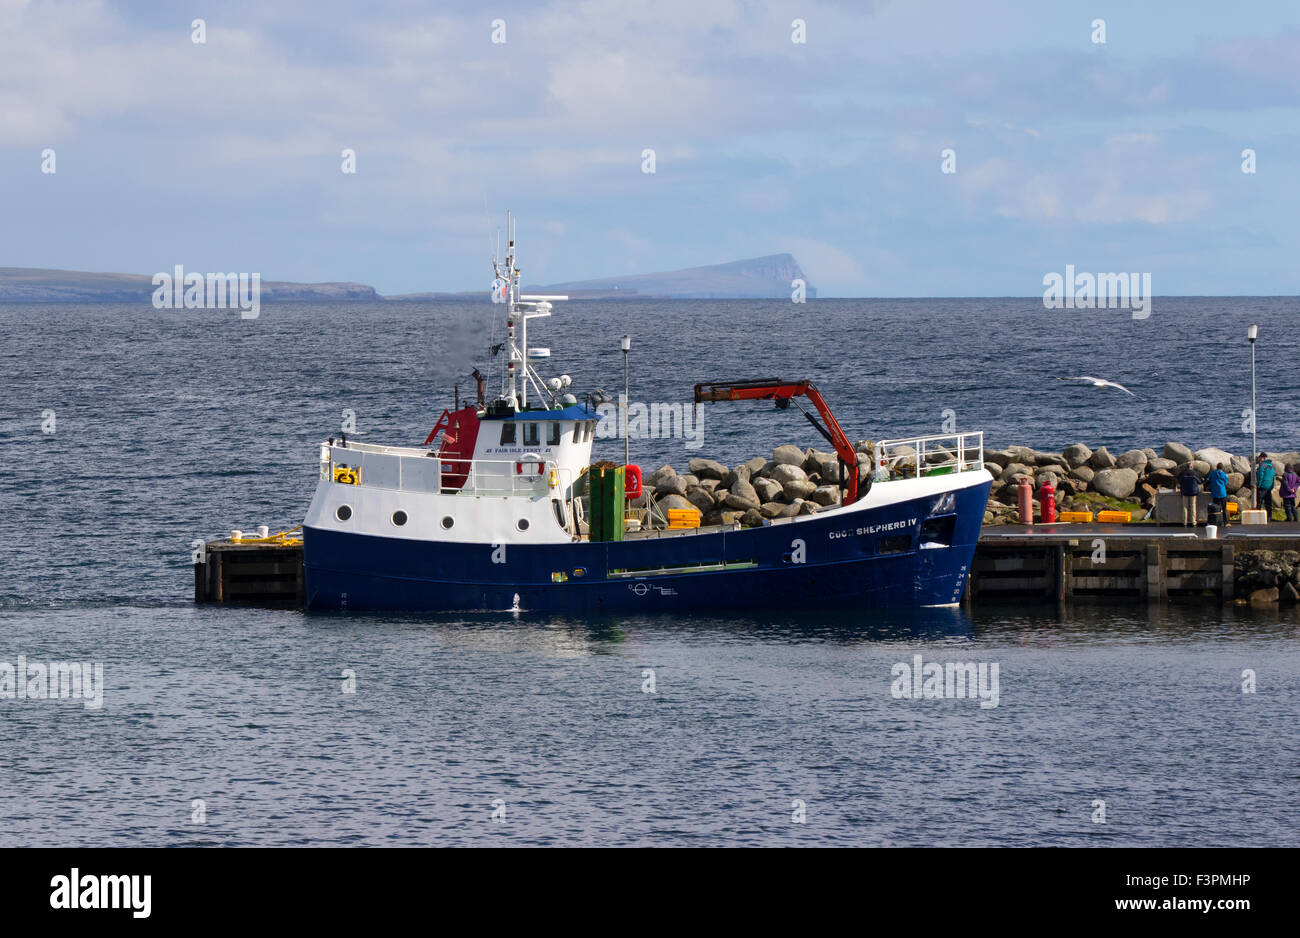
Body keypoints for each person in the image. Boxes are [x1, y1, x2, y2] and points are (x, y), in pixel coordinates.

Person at [1206, 462, 1230, 527]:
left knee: (1216, 509)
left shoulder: (1212, 473)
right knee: (1224, 508)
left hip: (1215, 493)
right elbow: (1226, 482)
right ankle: (1226, 522)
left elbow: (1208, 480)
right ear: (1222, 468)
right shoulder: (1223, 474)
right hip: (1222, 493)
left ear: (1216, 467)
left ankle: (1216, 521)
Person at [1256, 453, 1276, 521]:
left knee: (1259, 502)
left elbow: (1260, 475)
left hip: (1262, 486)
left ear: (1263, 458)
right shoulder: (1271, 466)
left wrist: (1258, 485)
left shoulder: (1262, 465)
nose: (1259, 459)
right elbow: (1273, 477)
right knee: (1268, 504)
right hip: (1269, 487)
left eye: (1260, 457)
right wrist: (1272, 486)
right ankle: (1269, 517)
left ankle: (1258, 518)